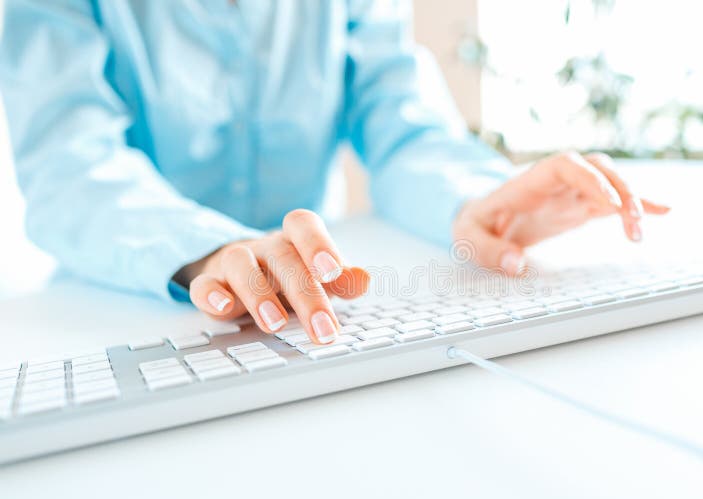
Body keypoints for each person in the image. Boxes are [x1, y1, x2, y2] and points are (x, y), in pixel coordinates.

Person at [0, 0, 668, 345]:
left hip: (309, 313)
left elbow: (400, 123)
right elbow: (69, 162)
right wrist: (203, 253)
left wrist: (476, 202)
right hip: (118, 307)